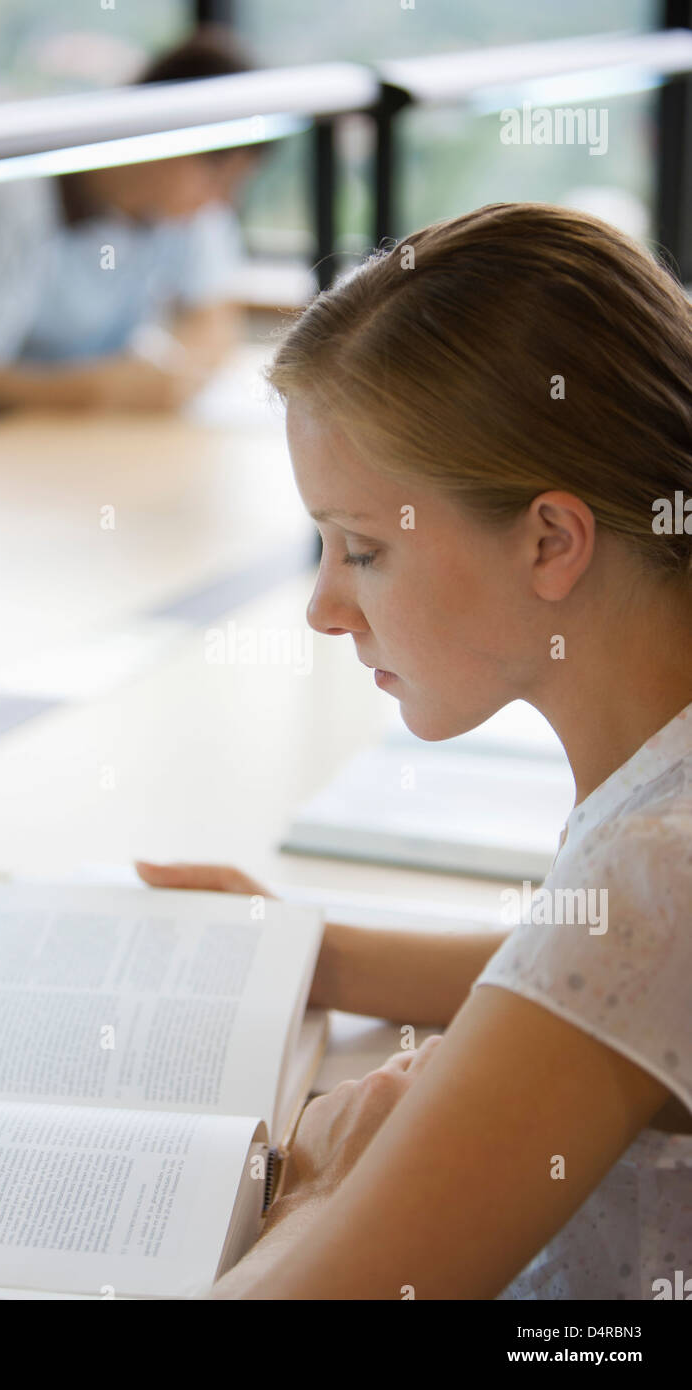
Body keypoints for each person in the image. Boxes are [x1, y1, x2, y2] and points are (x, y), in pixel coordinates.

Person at [134, 201, 692, 1300]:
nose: (325, 608)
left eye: (364, 549)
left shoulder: (656, 868)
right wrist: (316, 952)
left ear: (550, 540)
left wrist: (315, 1191)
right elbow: (591, 975)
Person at [0, 25, 270, 439]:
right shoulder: (22, 201)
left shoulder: (191, 211)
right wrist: (92, 390)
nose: (220, 201)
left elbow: (216, 322)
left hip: (71, 445)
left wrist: (170, 374)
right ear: (165, 140)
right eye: (217, 180)